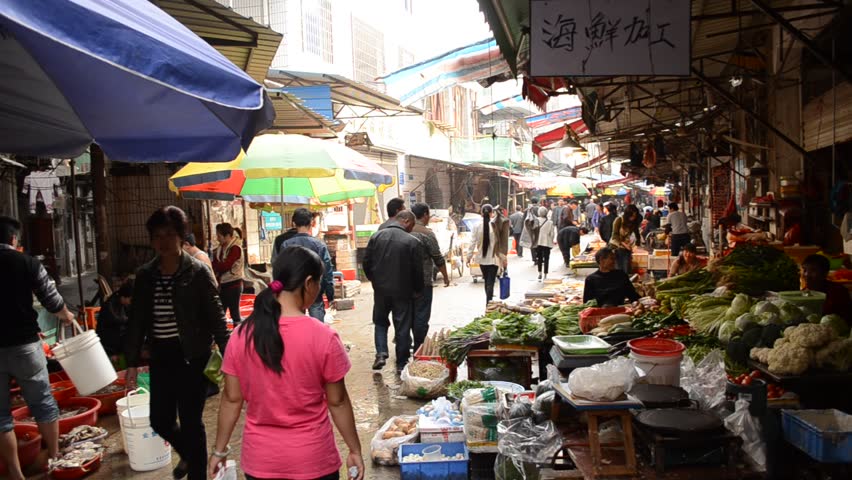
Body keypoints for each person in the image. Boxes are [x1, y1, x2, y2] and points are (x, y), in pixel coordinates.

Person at [208, 246, 364, 480]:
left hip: (260, 462)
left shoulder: (242, 335)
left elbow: (231, 399)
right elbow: (338, 401)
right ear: (309, 282)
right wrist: (354, 449)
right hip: (312, 460)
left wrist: (219, 451)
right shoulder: (323, 337)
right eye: (319, 283)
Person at [125, 206, 229, 480]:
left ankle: (198, 474)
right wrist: (132, 363)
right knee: (159, 420)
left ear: (182, 236)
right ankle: (190, 456)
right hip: (161, 357)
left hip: (193, 356)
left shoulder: (197, 272)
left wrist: (230, 359)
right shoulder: (146, 275)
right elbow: (136, 321)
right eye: (157, 235)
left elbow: (217, 319)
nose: (163, 241)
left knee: (192, 422)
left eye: (170, 234)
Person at [0, 216, 75, 479]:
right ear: (13, 238)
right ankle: (53, 458)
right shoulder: (27, 262)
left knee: (1, 419)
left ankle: (15, 472)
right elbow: (51, 298)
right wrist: (66, 315)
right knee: (43, 403)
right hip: (25, 345)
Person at [363, 211, 423, 373]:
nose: (412, 228)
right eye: (411, 224)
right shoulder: (412, 242)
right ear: (406, 221)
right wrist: (417, 290)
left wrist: (374, 281)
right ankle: (401, 362)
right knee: (402, 325)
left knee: (381, 322)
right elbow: (418, 271)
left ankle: (381, 353)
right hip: (403, 290)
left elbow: (366, 263)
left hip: (381, 290)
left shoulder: (376, 237)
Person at [277, 208, 335, 322]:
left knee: (296, 326)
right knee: (318, 327)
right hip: (315, 292)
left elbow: (281, 271)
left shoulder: (285, 245)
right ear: (311, 223)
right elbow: (327, 271)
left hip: (293, 292)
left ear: (293, 223)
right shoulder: (319, 245)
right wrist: (330, 295)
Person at [410, 203, 450, 354]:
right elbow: (437, 257)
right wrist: (445, 276)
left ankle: (404, 348)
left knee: (407, 315)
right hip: (424, 281)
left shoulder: (403, 232)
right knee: (421, 315)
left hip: (403, 283)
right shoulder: (427, 233)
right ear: (425, 215)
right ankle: (419, 348)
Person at [468, 204, 505, 303]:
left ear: (481, 213)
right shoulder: (496, 225)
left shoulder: (476, 226)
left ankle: (488, 301)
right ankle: (489, 302)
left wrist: (469, 256)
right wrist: (504, 259)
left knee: (487, 281)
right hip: (494, 259)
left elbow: (472, 242)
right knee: (490, 282)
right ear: (491, 213)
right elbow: (502, 244)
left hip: (482, 259)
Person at [801, 254, 852, 324]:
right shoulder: (803, 293)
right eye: (804, 270)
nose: (807, 274)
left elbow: (847, 319)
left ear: (825, 273)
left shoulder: (838, 292)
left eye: (813, 270)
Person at [212, 223, 244, 324]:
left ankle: (237, 336)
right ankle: (223, 337)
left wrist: (215, 267)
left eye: (219, 236)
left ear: (227, 236)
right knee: (220, 313)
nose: (217, 238)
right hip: (223, 284)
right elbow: (216, 264)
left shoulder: (235, 248)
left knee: (234, 313)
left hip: (233, 284)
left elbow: (225, 266)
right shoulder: (220, 248)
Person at [96, 279, 134, 366]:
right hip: (109, 342)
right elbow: (117, 320)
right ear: (124, 297)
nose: (130, 302)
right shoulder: (110, 305)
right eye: (130, 299)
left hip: (117, 337)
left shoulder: (123, 304)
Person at [608, 204, 642, 273]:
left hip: (626, 249)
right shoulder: (618, 220)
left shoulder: (633, 223)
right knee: (619, 269)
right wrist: (624, 245)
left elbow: (636, 234)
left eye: (635, 216)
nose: (633, 218)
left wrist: (637, 244)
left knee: (626, 269)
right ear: (627, 214)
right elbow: (615, 236)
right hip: (616, 248)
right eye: (632, 216)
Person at [532, 207, 556, 281]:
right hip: (547, 242)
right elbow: (552, 234)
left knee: (539, 258)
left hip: (538, 242)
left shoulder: (535, 221)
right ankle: (545, 274)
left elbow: (533, 232)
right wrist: (551, 241)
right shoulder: (550, 222)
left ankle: (539, 273)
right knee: (546, 259)